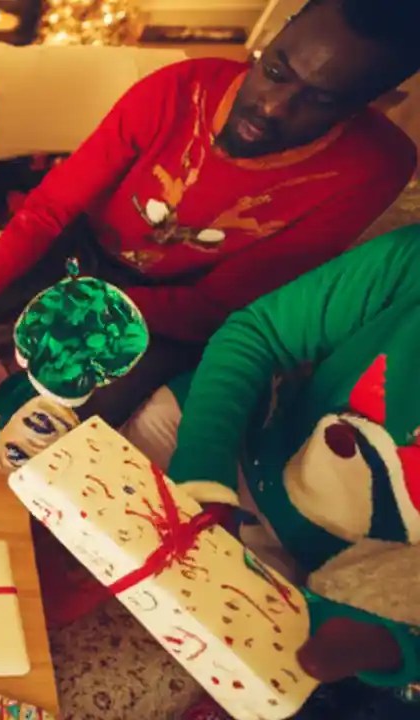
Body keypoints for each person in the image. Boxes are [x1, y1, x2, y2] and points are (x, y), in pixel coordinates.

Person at [0, 0, 419, 426]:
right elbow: (52, 208)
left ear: (370, 102)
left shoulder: (374, 167)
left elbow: (223, 300)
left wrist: (95, 316)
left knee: (78, 410)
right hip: (84, 251)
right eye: (274, 71)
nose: (271, 107)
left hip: (179, 304)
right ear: (274, 38)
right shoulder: (180, 89)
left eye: (319, 100)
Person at [72, 226, 420, 718]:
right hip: (234, 447)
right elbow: (255, 334)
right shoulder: (410, 263)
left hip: (319, 583)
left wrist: (389, 638)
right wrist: (204, 477)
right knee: (65, 541)